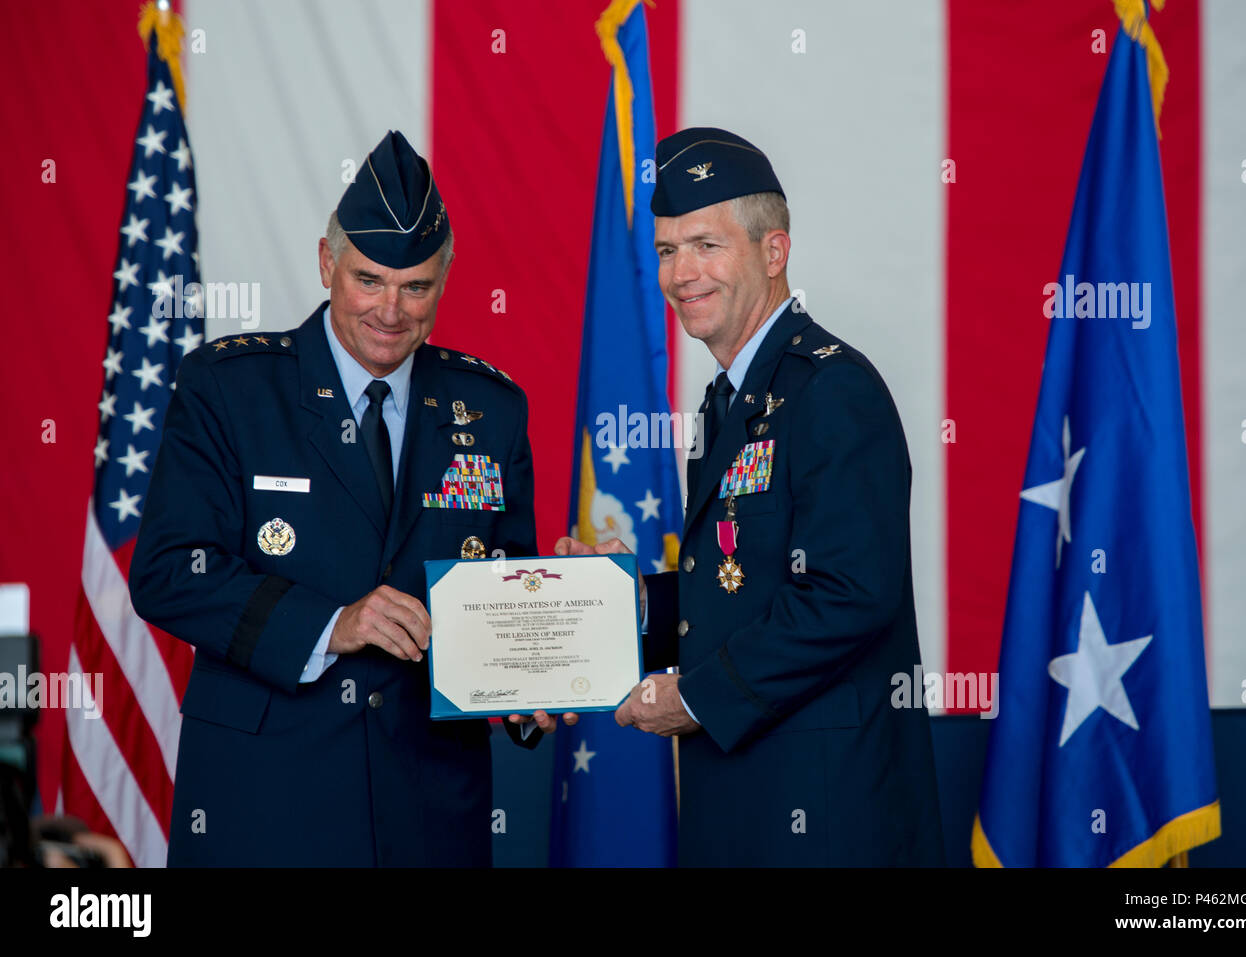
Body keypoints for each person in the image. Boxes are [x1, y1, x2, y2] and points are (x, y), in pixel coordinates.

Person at [130, 130, 569, 866]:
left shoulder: (491, 408)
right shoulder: (230, 389)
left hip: (430, 814)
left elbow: (501, 594)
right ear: (327, 262)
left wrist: (537, 660)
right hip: (266, 804)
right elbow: (168, 572)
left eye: (416, 286)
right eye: (369, 279)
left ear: (447, 277)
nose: (391, 310)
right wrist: (332, 622)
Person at [559, 127, 944, 866]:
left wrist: (695, 696)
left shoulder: (833, 388)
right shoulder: (726, 405)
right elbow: (738, 588)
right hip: (741, 804)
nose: (682, 274)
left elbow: (849, 594)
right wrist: (622, 604)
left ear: (774, 251)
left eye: (707, 245)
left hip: (828, 817)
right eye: (668, 250)